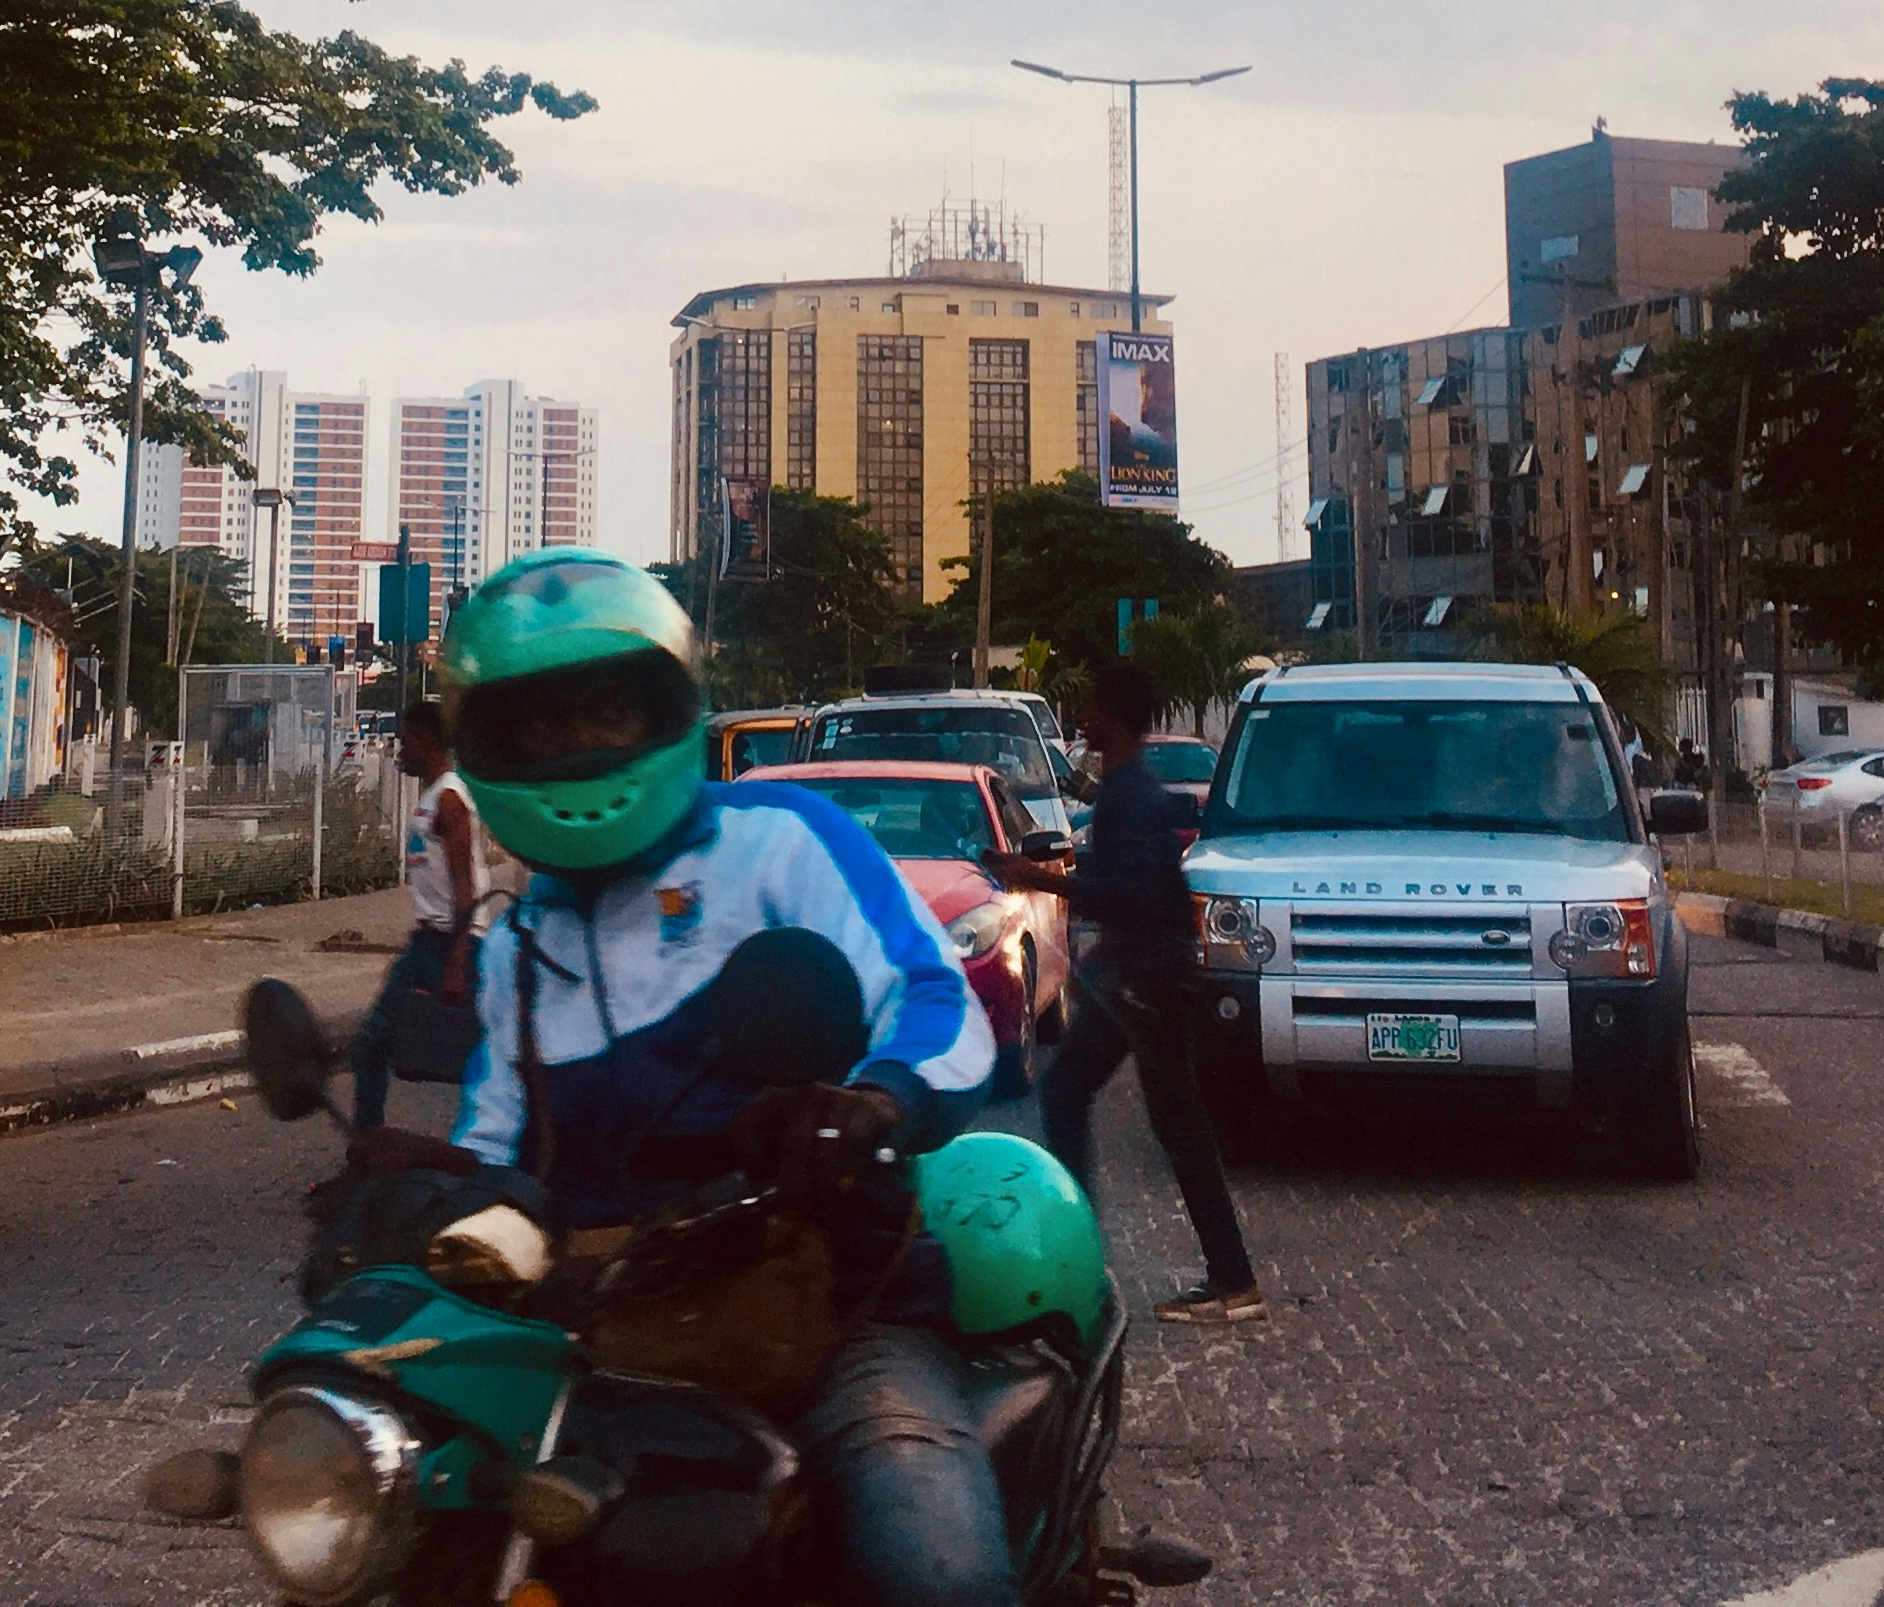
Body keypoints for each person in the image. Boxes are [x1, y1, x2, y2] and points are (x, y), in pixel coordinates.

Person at [436, 550, 1014, 1607]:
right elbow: (491, 1146)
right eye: (537, 728)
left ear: (661, 711)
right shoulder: (522, 944)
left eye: (602, 715)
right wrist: (421, 1202)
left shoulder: (782, 845)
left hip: (834, 1305)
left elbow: (940, 1009)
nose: (573, 747)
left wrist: (871, 1104)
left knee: (938, 1565)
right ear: (490, 749)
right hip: (606, 1336)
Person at [1003, 662, 1261, 1325]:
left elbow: (1132, 893)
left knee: (1120, 1110)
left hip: (1146, 987)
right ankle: (1226, 1279)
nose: (1081, 721)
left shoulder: (1128, 795)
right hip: (1142, 981)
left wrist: (1041, 878)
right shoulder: (1126, 790)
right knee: (1151, 1120)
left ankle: (1083, 1266)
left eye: (1089, 709)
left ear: (1113, 718)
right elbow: (1132, 886)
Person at [350, 703, 481, 1130]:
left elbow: (467, 888)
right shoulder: (432, 795)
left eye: (405, 743)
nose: (399, 752)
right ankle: (368, 1150)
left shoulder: (448, 799)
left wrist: (458, 962)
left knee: (478, 1055)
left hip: (453, 944)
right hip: (428, 943)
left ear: (426, 742)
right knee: (373, 1045)